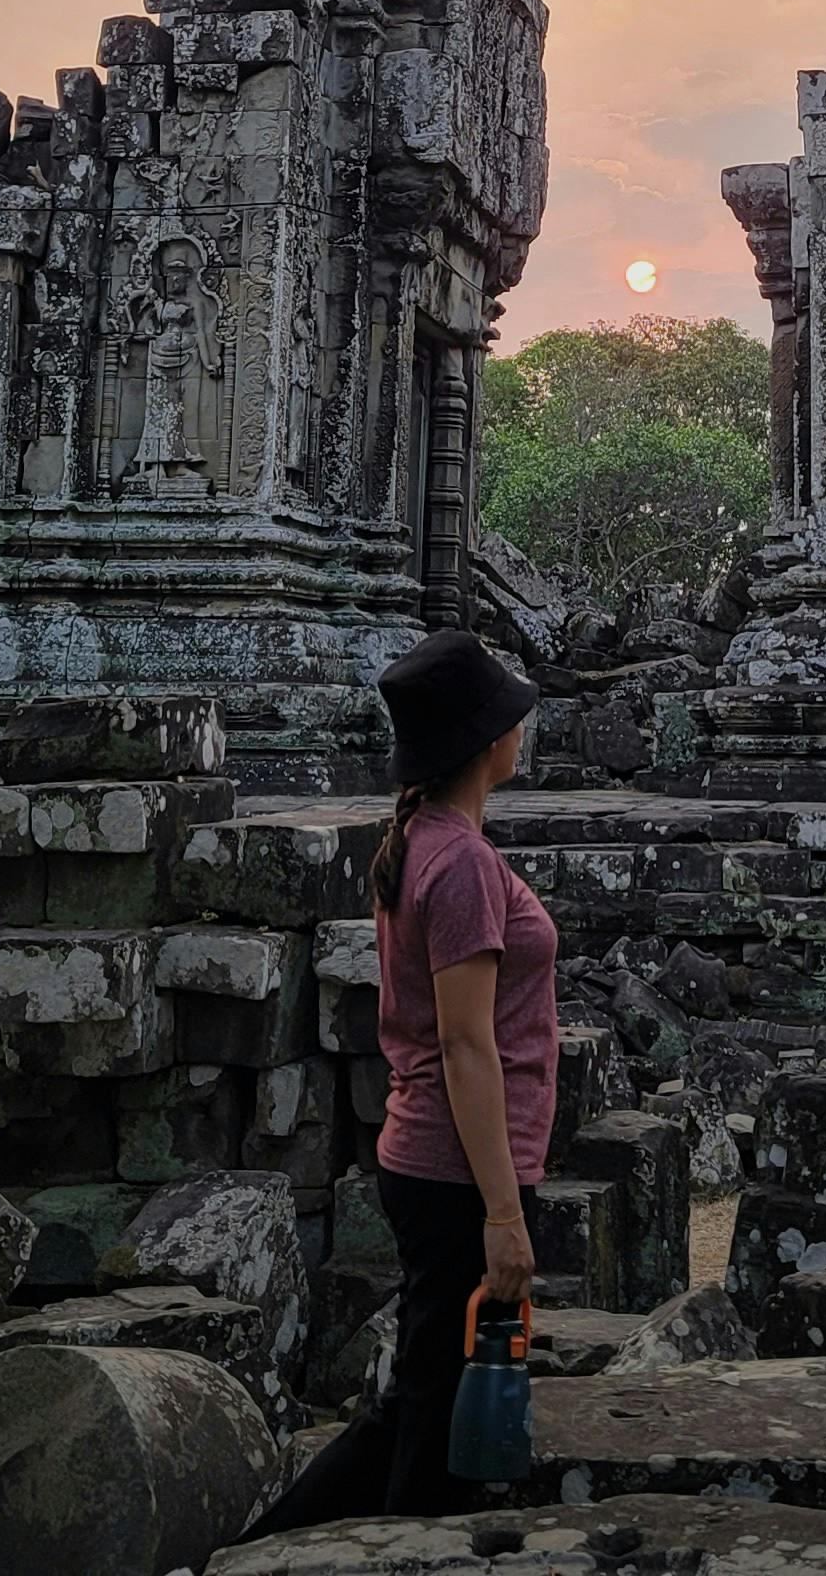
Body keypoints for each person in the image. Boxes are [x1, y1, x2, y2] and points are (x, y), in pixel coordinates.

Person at [246, 628, 559, 1526]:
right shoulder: (456, 862)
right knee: (434, 1410)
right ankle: (364, 1549)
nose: (522, 727)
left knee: (424, 1390)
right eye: (509, 714)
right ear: (482, 741)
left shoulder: (431, 838)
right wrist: (504, 1215)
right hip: (457, 1168)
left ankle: (265, 1547)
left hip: (440, 1157)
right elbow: (466, 1047)